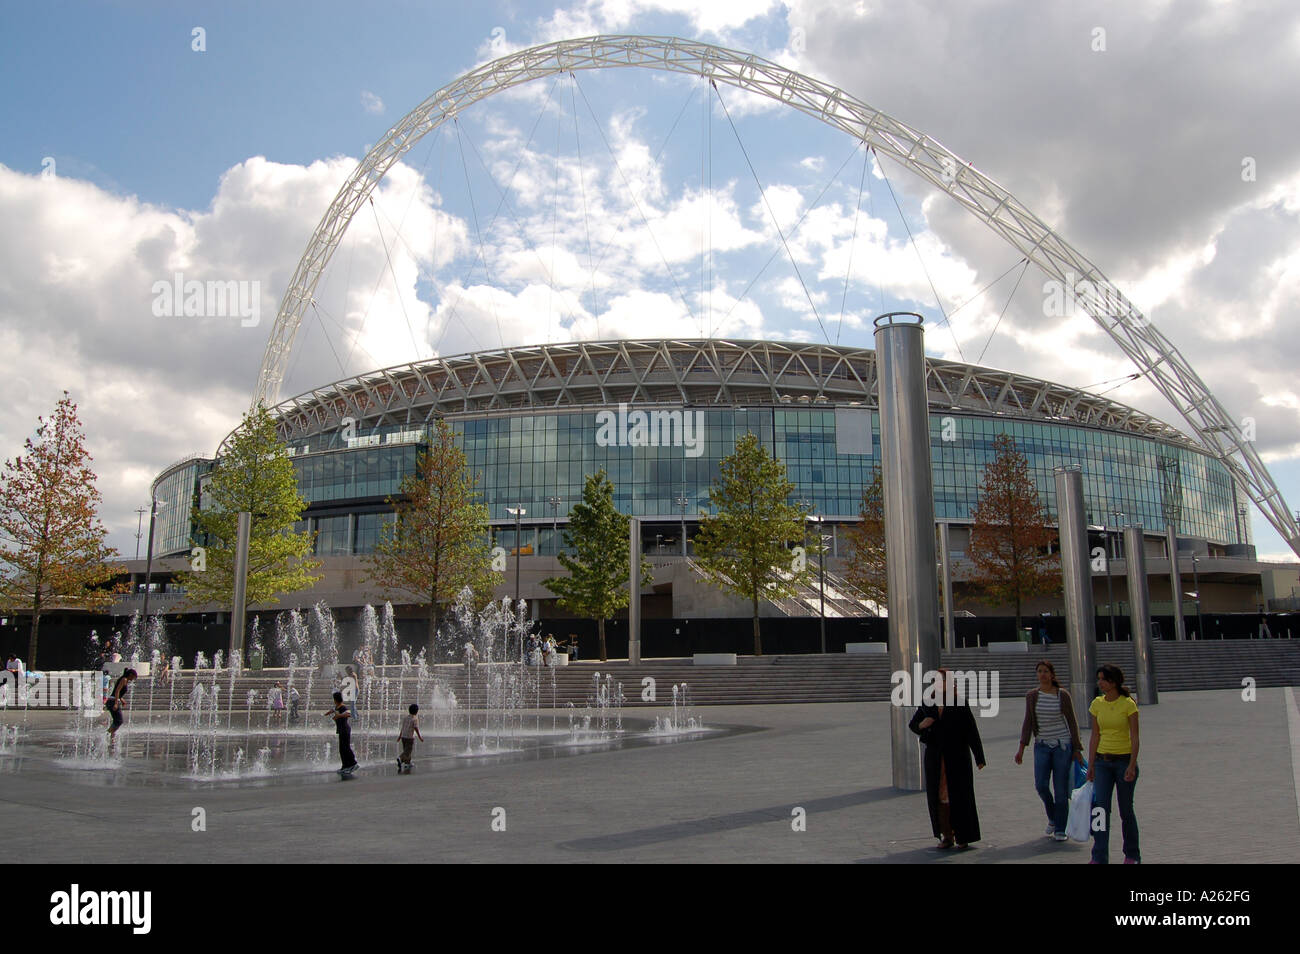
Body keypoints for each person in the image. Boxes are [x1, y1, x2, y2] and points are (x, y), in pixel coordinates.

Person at [908, 668, 986, 849]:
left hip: (957, 757)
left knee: (959, 795)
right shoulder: (928, 702)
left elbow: (970, 730)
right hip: (936, 758)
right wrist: (922, 724)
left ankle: (963, 835)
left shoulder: (959, 702)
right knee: (940, 797)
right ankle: (947, 835)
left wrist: (979, 757)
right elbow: (913, 724)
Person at [1015, 660, 1083, 842]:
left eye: (1046, 671)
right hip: (1042, 746)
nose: (1042, 674)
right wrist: (1021, 748)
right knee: (1041, 786)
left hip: (1062, 746)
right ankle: (1053, 817)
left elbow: (1072, 722)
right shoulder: (1032, 696)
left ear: (1052, 675)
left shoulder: (1062, 695)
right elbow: (1028, 722)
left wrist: (1077, 748)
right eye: (1039, 671)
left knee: (1060, 790)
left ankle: (1061, 828)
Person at [1087, 664, 1141, 864]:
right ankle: (1099, 856)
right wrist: (1091, 765)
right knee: (1100, 810)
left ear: (1114, 681)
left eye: (1103, 679)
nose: (1099, 683)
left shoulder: (1128, 704)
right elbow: (1095, 735)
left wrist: (1132, 765)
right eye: (1098, 678)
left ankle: (1132, 855)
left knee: (1126, 810)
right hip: (1102, 762)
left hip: (1124, 762)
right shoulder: (1097, 704)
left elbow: (1135, 737)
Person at [328, 691, 358, 776]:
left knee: (346, 747)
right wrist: (330, 712)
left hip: (345, 730)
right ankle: (345, 766)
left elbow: (349, 714)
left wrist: (339, 716)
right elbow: (335, 710)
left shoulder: (343, 707)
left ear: (336, 699)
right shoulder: (338, 707)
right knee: (342, 749)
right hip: (341, 730)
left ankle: (353, 763)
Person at [105, 668, 138, 745]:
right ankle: (107, 734)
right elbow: (117, 691)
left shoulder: (124, 679)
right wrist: (116, 703)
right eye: (134, 677)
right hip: (113, 701)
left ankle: (111, 738)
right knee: (119, 721)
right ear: (131, 675)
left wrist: (121, 699)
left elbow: (118, 692)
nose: (133, 679)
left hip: (112, 700)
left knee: (116, 721)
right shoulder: (124, 679)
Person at [396, 703, 423, 773]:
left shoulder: (406, 718)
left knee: (407, 750)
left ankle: (407, 763)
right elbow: (416, 728)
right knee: (407, 751)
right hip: (409, 737)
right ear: (416, 711)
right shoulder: (415, 719)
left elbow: (403, 728)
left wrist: (399, 736)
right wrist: (420, 737)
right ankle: (400, 758)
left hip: (403, 736)